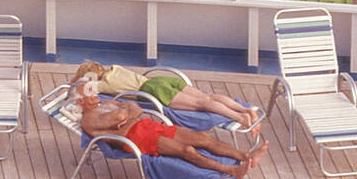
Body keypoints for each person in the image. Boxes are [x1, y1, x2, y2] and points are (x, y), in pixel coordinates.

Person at [78, 91, 268, 179]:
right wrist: (124, 113)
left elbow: (134, 108)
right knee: (187, 151)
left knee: (202, 138)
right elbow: (123, 113)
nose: (94, 94)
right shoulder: (89, 118)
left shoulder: (105, 103)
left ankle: (246, 156)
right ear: (80, 101)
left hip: (147, 125)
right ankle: (231, 171)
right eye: (88, 93)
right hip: (135, 139)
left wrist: (126, 113)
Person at [72, 61, 258, 126]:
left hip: (153, 90)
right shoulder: (115, 69)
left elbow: (84, 87)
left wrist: (75, 81)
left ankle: (239, 118)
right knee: (206, 97)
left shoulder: (104, 84)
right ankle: (244, 110)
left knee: (200, 105)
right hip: (160, 80)